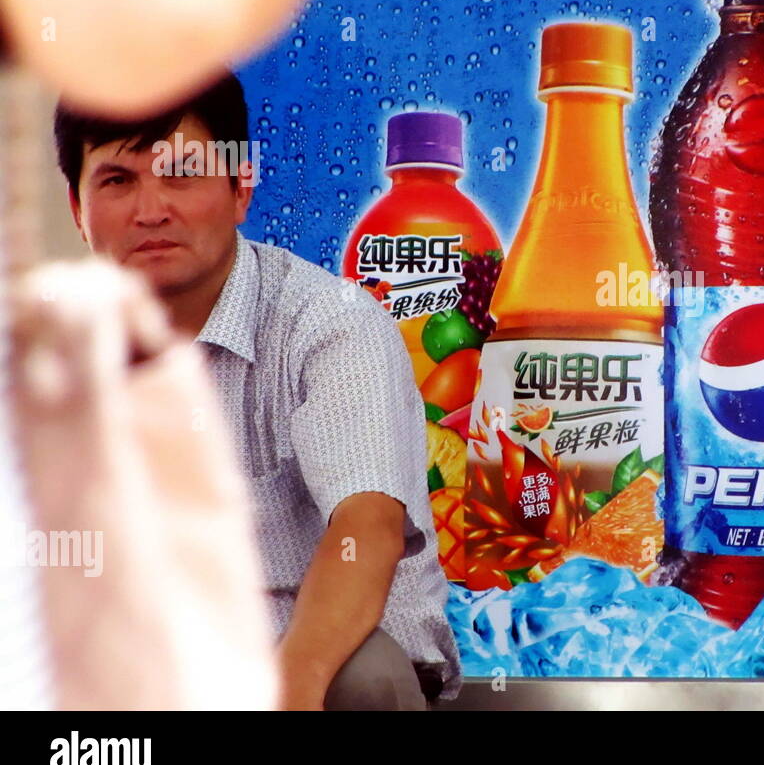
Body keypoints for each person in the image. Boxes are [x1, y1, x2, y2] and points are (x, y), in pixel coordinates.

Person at [52, 71, 461, 710]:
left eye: (182, 173)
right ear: (77, 210)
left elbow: (368, 527)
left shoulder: (329, 324)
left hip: (316, 669)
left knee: (365, 675)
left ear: (241, 185)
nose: (151, 208)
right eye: (117, 180)